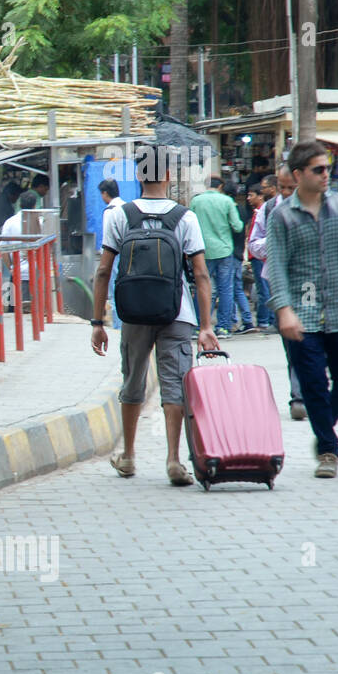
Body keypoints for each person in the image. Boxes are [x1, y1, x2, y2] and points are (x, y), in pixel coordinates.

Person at [91, 143, 219, 487]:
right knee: (175, 383)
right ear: (167, 175)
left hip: (133, 314)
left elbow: (103, 271)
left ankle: (129, 456)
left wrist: (98, 323)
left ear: (137, 175)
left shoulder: (119, 215)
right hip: (177, 313)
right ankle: (174, 460)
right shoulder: (184, 216)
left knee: (132, 380)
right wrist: (206, 326)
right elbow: (201, 274)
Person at [266, 140, 338, 479]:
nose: (326, 175)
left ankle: (324, 426)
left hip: (337, 310)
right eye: (318, 170)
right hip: (301, 315)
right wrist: (283, 309)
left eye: (328, 168)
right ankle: (327, 448)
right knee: (313, 385)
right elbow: (275, 265)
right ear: (298, 174)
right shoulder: (281, 217)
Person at [249, 166, 308, 419]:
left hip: (310, 282)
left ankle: (309, 390)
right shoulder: (269, 208)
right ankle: (299, 395)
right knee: (291, 339)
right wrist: (273, 243)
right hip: (279, 281)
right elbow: (254, 244)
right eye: (281, 188)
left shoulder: (315, 206)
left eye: (290, 188)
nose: (285, 193)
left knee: (311, 334)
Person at [189, 174, 244, 337]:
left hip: (202, 252)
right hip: (224, 250)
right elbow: (238, 226)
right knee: (226, 289)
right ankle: (223, 327)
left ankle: (198, 326)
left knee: (202, 287)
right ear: (220, 187)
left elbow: (190, 225)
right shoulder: (227, 201)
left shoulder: (196, 201)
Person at [222, 179, 256, 332]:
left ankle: (234, 321)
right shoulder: (242, 209)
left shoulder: (230, 208)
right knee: (236, 288)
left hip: (230, 252)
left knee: (229, 288)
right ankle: (246, 320)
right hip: (238, 251)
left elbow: (237, 228)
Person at [0, 190, 39, 310]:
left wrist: (11, 268)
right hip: (36, 275)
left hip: (16, 274)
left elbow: (3, 249)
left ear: (20, 204)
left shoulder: (10, 222)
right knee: (33, 312)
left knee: (14, 310)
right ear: (34, 205)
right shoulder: (40, 221)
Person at [245, 182, 275, 330]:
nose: (248, 198)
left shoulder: (265, 210)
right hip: (257, 255)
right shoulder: (261, 211)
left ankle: (265, 320)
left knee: (264, 290)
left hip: (261, 257)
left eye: (251, 195)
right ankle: (268, 319)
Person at [99, 178, 126, 329]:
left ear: (105, 193)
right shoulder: (126, 207)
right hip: (128, 253)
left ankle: (118, 326)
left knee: (115, 293)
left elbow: (107, 240)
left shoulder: (110, 211)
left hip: (114, 255)